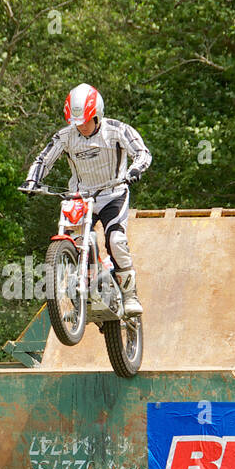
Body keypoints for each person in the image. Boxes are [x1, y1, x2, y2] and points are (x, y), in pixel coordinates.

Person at [20, 83, 151, 317]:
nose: (81, 126)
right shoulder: (65, 136)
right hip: (80, 196)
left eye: (86, 120)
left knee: (116, 240)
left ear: (97, 115)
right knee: (76, 243)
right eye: (76, 122)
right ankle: (82, 295)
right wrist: (32, 181)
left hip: (113, 194)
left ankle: (130, 295)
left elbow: (142, 153)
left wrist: (135, 170)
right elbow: (43, 159)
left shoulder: (118, 130)